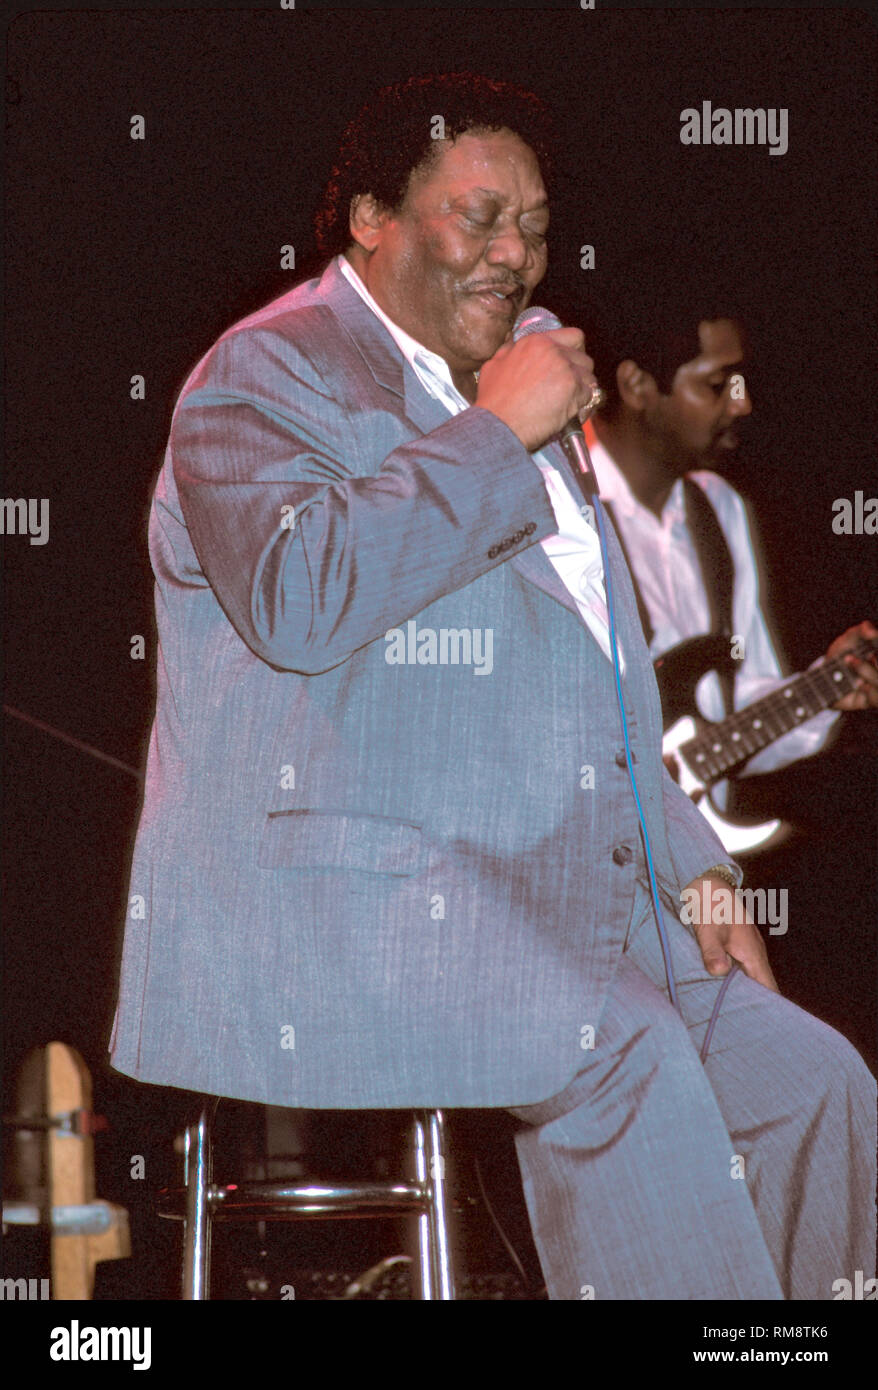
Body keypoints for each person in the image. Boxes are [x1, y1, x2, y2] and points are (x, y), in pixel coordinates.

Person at [109, 74, 875, 1300]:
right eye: (478, 217)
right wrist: (490, 434)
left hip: (561, 892)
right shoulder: (263, 375)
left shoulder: (528, 374)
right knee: (621, 1057)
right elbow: (298, 598)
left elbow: (606, 662)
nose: (515, 253)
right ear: (369, 219)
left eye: (531, 223)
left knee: (812, 1084)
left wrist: (694, 865)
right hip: (359, 908)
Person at [584, 274, 878, 831]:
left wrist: (828, 686)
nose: (742, 405)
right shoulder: (556, 506)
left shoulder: (720, 508)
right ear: (638, 385)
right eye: (718, 385)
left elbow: (734, 703)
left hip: (692, 862)